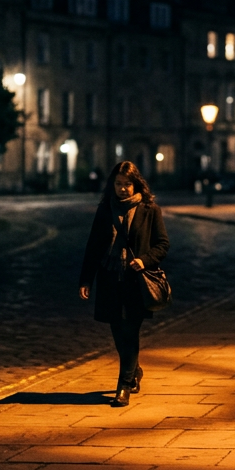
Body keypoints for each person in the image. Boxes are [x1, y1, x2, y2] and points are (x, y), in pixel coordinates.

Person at [78, 161, 169, 406]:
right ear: (113, 185)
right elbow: (94, 247)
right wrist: (86, 279)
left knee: (130, 330)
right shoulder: (105, 209)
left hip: (135, 281)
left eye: (128, 184)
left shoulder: (149, 209)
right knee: (118, 333)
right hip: (110, 277)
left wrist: (144, 260)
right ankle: (134, 370)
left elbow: (162, 244)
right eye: (118, 184)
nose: (123, 189)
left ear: (136, 184)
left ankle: (123, 385)